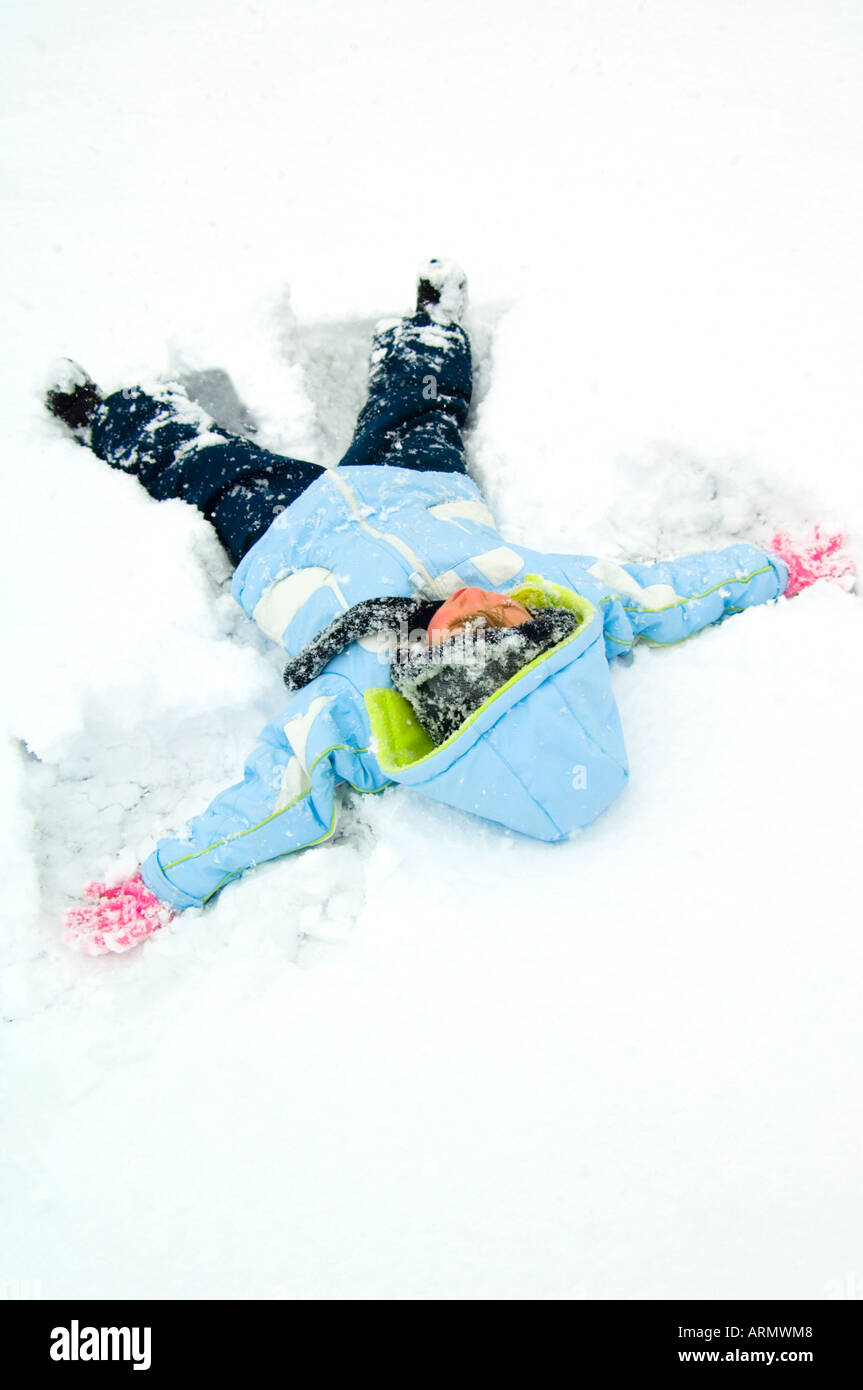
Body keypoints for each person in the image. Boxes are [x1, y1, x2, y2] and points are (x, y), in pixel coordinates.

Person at [45, 259, 854, 955]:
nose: (472, 596)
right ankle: (431, 323)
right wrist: (780, 566)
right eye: (495, 612)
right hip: (419, 488)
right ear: (533, 639)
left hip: (283, 539)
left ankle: (104, 413)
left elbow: (269, 802)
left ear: (427, 677)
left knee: (204, 467)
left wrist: (155, 890)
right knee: (418, 403)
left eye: (458, 621)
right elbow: (673, 592)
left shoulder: (351, 709)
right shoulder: (559, 609)